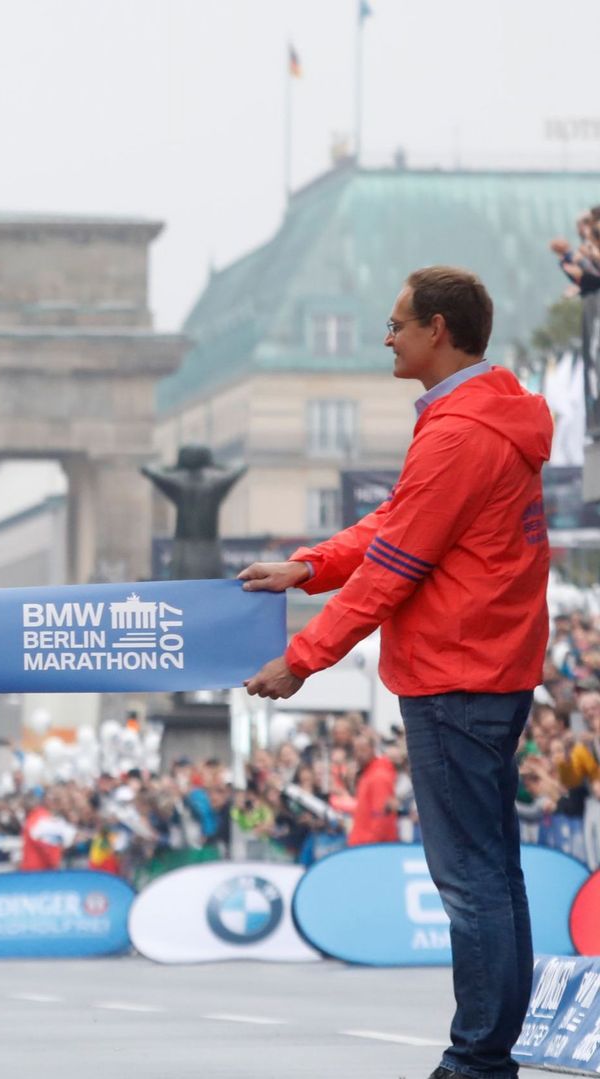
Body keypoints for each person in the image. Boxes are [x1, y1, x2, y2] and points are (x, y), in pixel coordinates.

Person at [242, 266, 550, 1079]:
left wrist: (301, 658)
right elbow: (396, 524)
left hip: (455, 671)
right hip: (492, 663)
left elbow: (394, 564)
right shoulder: (488, 416)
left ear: (439, 330)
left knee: (470, 882)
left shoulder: (457, 432)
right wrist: (308, 568)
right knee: (494, 875)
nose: (387, 337)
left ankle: (477, 1061)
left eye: (397, 324)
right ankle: (489, 1053)